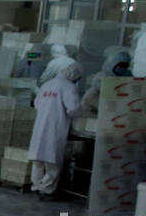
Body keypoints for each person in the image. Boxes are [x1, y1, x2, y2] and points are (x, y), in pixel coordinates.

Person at [29, 62, 83, 199]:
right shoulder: (69, 87)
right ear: (75, 75)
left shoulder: (47, 84)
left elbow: (36, 104)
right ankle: (46, 190)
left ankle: (36, 186)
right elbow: (73, 108)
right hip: (55, 127)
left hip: (40, 125)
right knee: (52, 161)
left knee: (38, 159)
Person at [79, 48, 132, 114]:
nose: (122, 68)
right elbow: (88, 99)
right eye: (120, 65)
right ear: (114, 63)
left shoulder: (128, 75)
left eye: (125, 66)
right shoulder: (102, 77)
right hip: (103, 107)